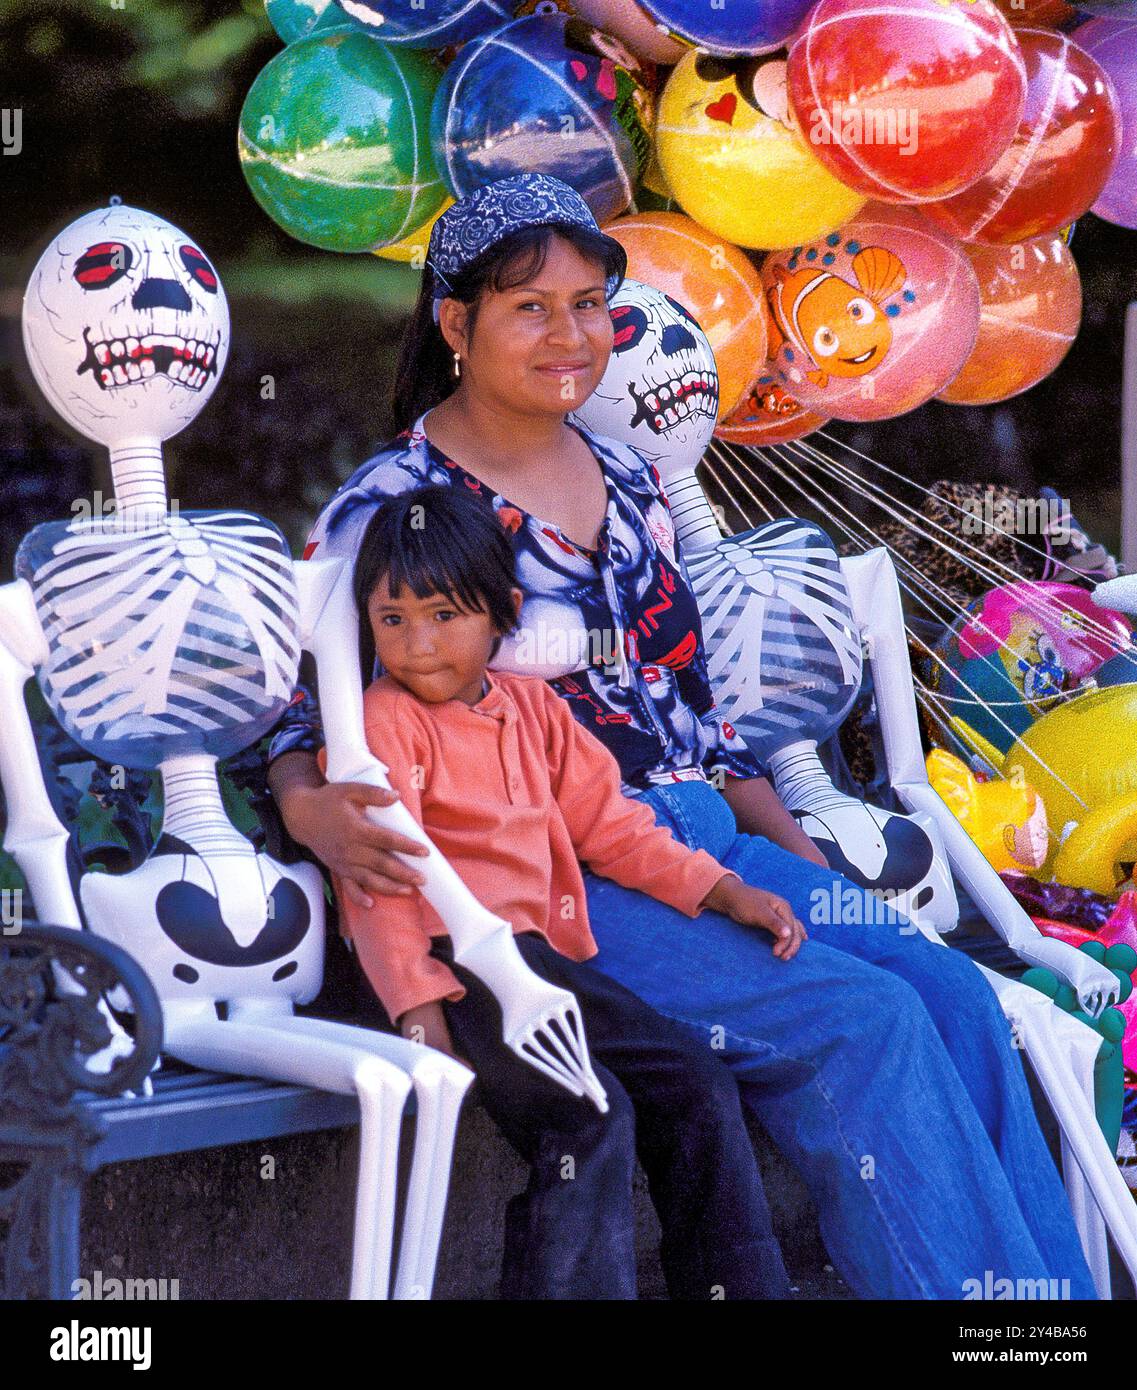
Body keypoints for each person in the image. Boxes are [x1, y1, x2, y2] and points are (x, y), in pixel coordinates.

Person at [267, 172, 1096, 1299]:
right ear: (456, 324)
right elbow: (303, 712)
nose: (571, 335)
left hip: (706, 842)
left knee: (951, 991)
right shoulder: (395, 503)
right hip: (564, 867)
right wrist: (314, 810)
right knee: (863, 1023)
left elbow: (702, 708)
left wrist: (813, 880)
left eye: (589, 303)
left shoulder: (627, 474)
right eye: (530, 307)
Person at [329, 480, 795, 1301]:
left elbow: (611, 827)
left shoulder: (535, 709)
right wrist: (416, 1003)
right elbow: (379, 877)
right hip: (449, 972)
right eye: (391, 620)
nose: (416, 645)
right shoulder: (384, 721)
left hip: (539, 966)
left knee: (693, 1081)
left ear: (503, 612)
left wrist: (721, 889)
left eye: (444, 616)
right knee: (590, 1115)